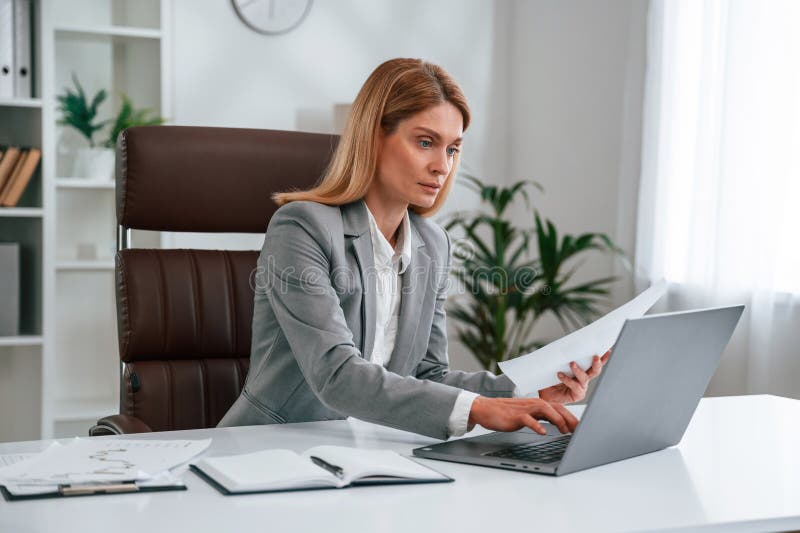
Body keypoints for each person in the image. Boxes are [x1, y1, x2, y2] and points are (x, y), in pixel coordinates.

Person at [219, 58, 609, 440]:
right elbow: (335, 374)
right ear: (374, 137)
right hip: (273, 449)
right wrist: (477, 410)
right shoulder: (302, 227)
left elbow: (427, 375)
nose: (443, 166)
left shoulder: (432, 245)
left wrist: (527, 394)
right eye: (426, 142)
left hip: (368, 448)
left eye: (453, 149)